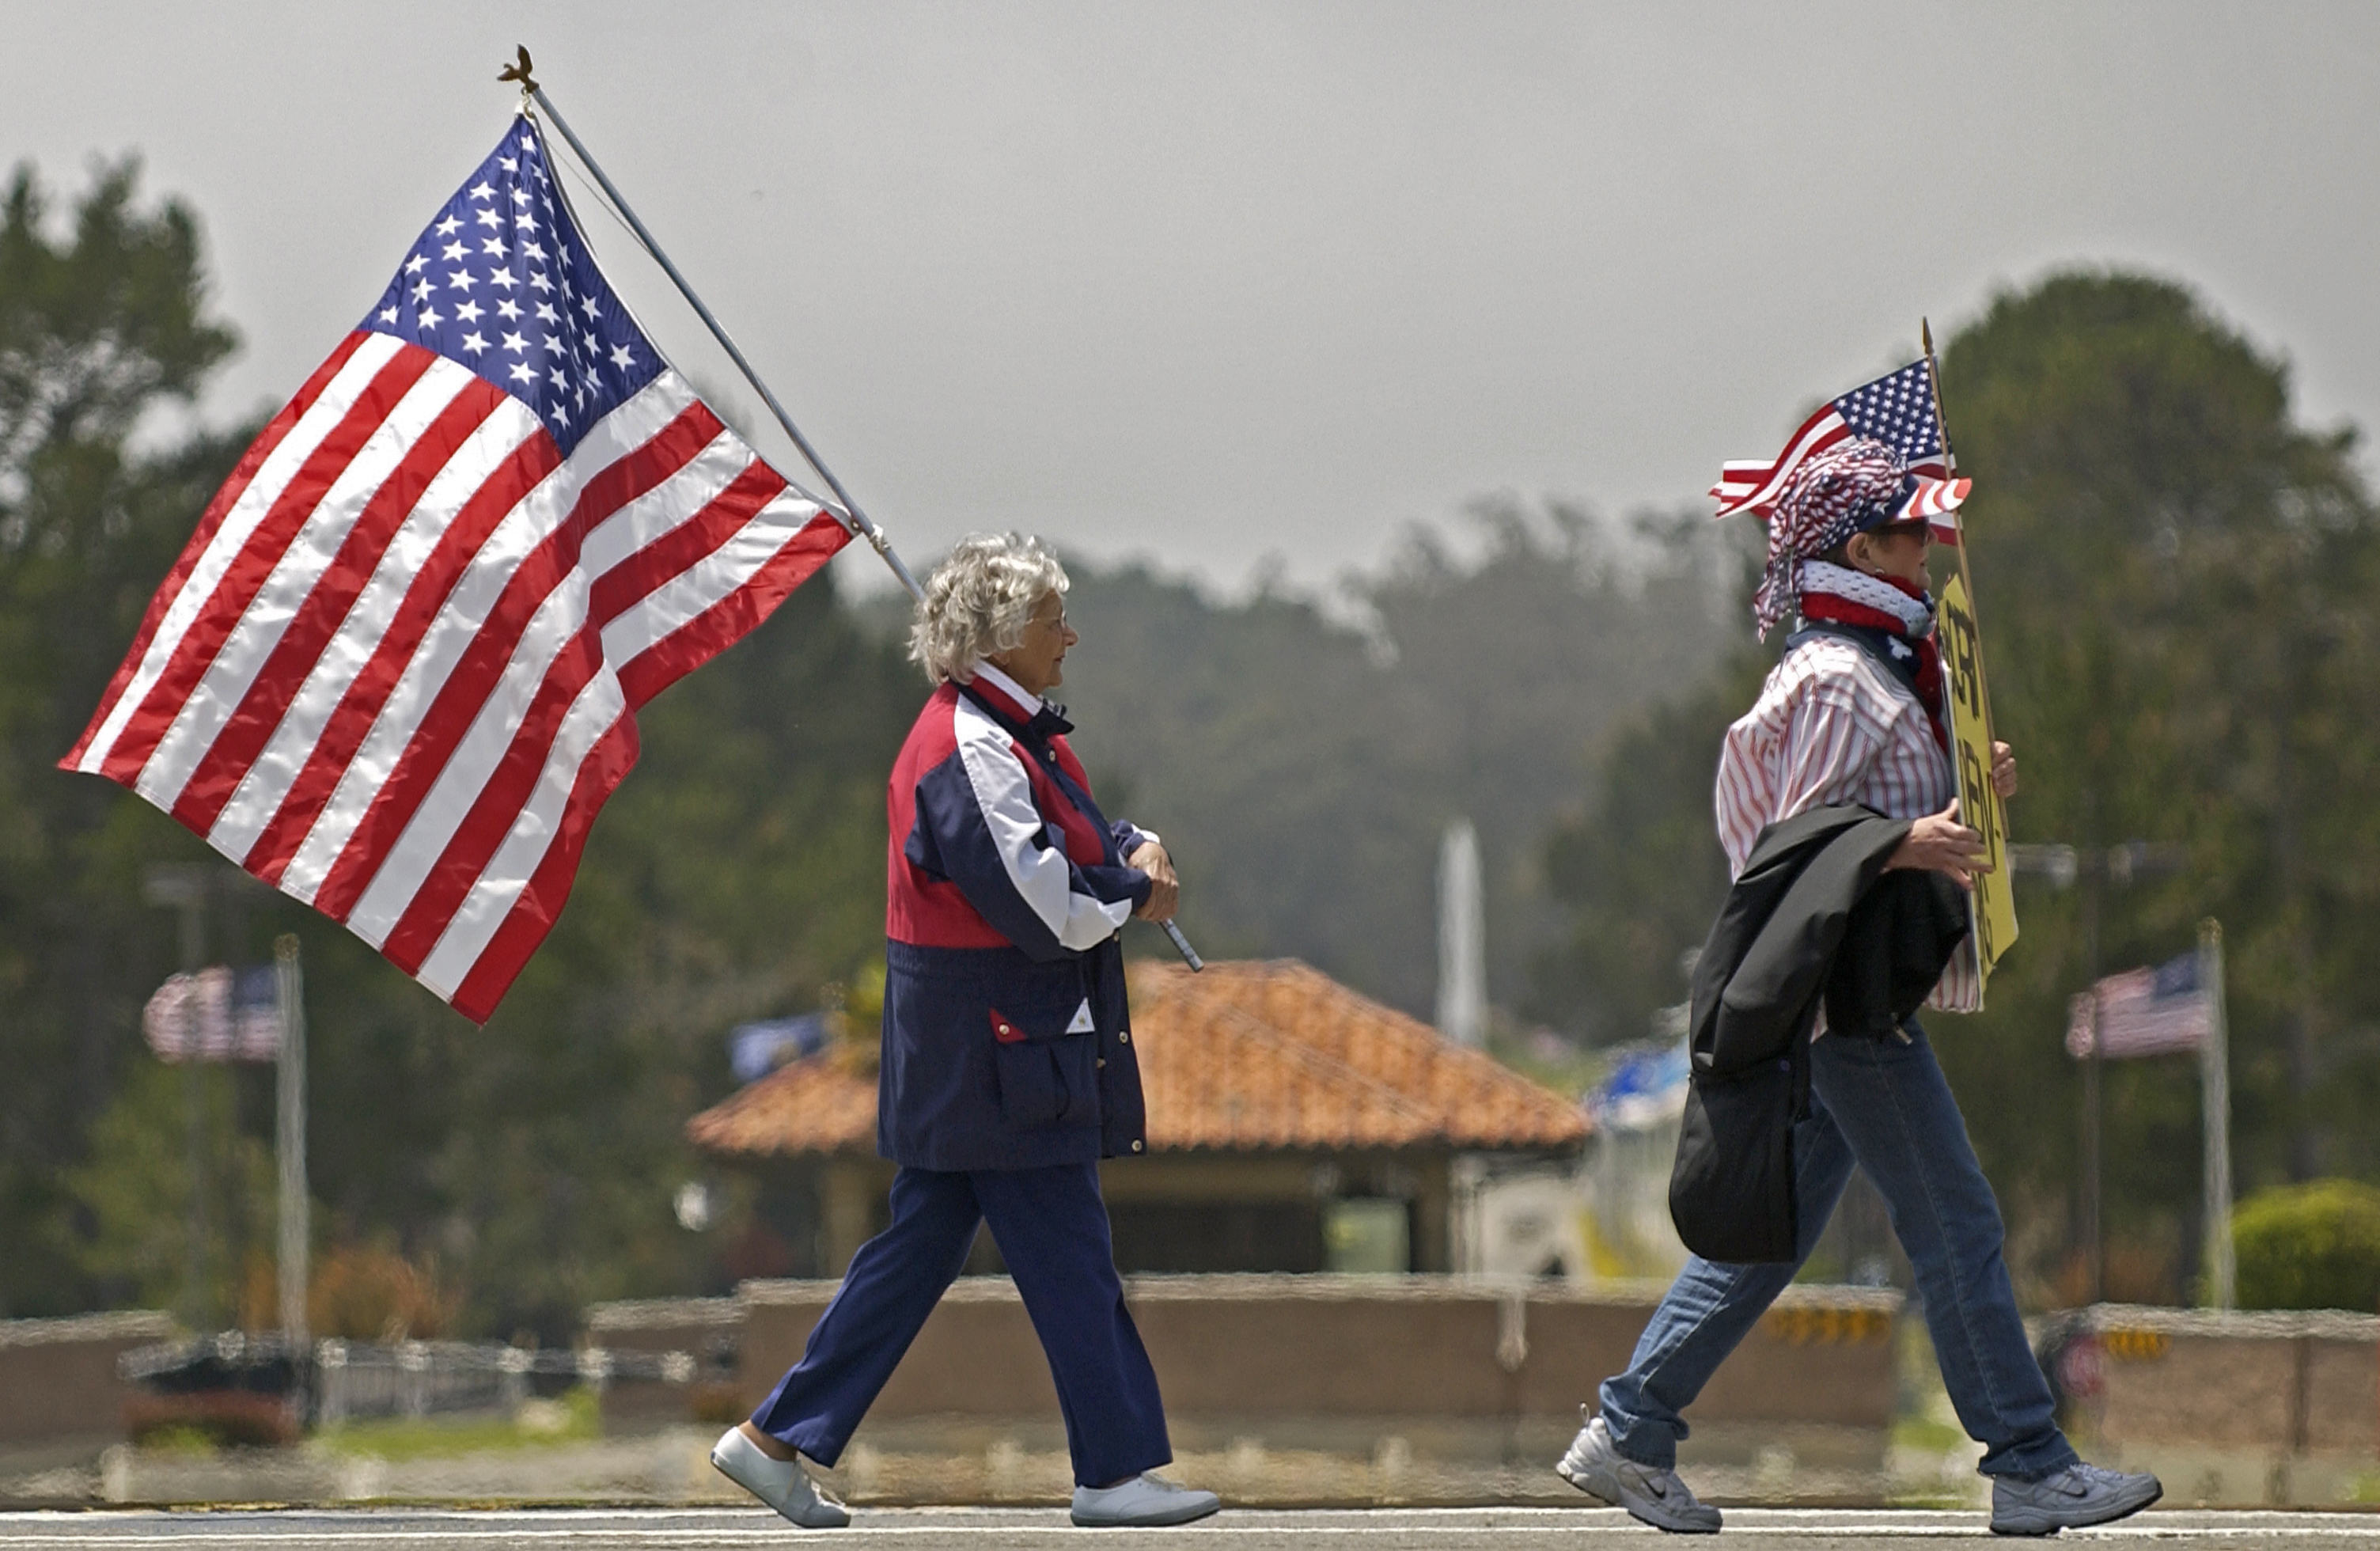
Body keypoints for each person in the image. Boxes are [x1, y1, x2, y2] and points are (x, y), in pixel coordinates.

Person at [1556, 439, 2162, 1537]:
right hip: (1847, 1010)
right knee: (1958, 1221)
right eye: (1908, 532)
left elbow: (1844, 822)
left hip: (1841, 1003)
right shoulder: (1839, 675)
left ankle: (1630, 1429)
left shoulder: (1874, 665)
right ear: (1858, 548)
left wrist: (1970, 781)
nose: (1929, 549)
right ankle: (2027, 1459)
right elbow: (1787, 847)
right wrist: (1899, 840)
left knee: (1769, 1236)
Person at [710, 533, 1219, 1530]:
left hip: (982, 1049)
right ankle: (1113, 1471)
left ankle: (772, 1438)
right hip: (998, 1052)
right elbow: (1036, 901)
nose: (1068, 637)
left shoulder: (1009, 733)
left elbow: (1066, 834)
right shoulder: (966, 745)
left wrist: (1129, 847)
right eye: (1050, 620)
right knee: (1071, 1255)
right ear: (995, 636)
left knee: (920, 1250)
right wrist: (1131, 892)